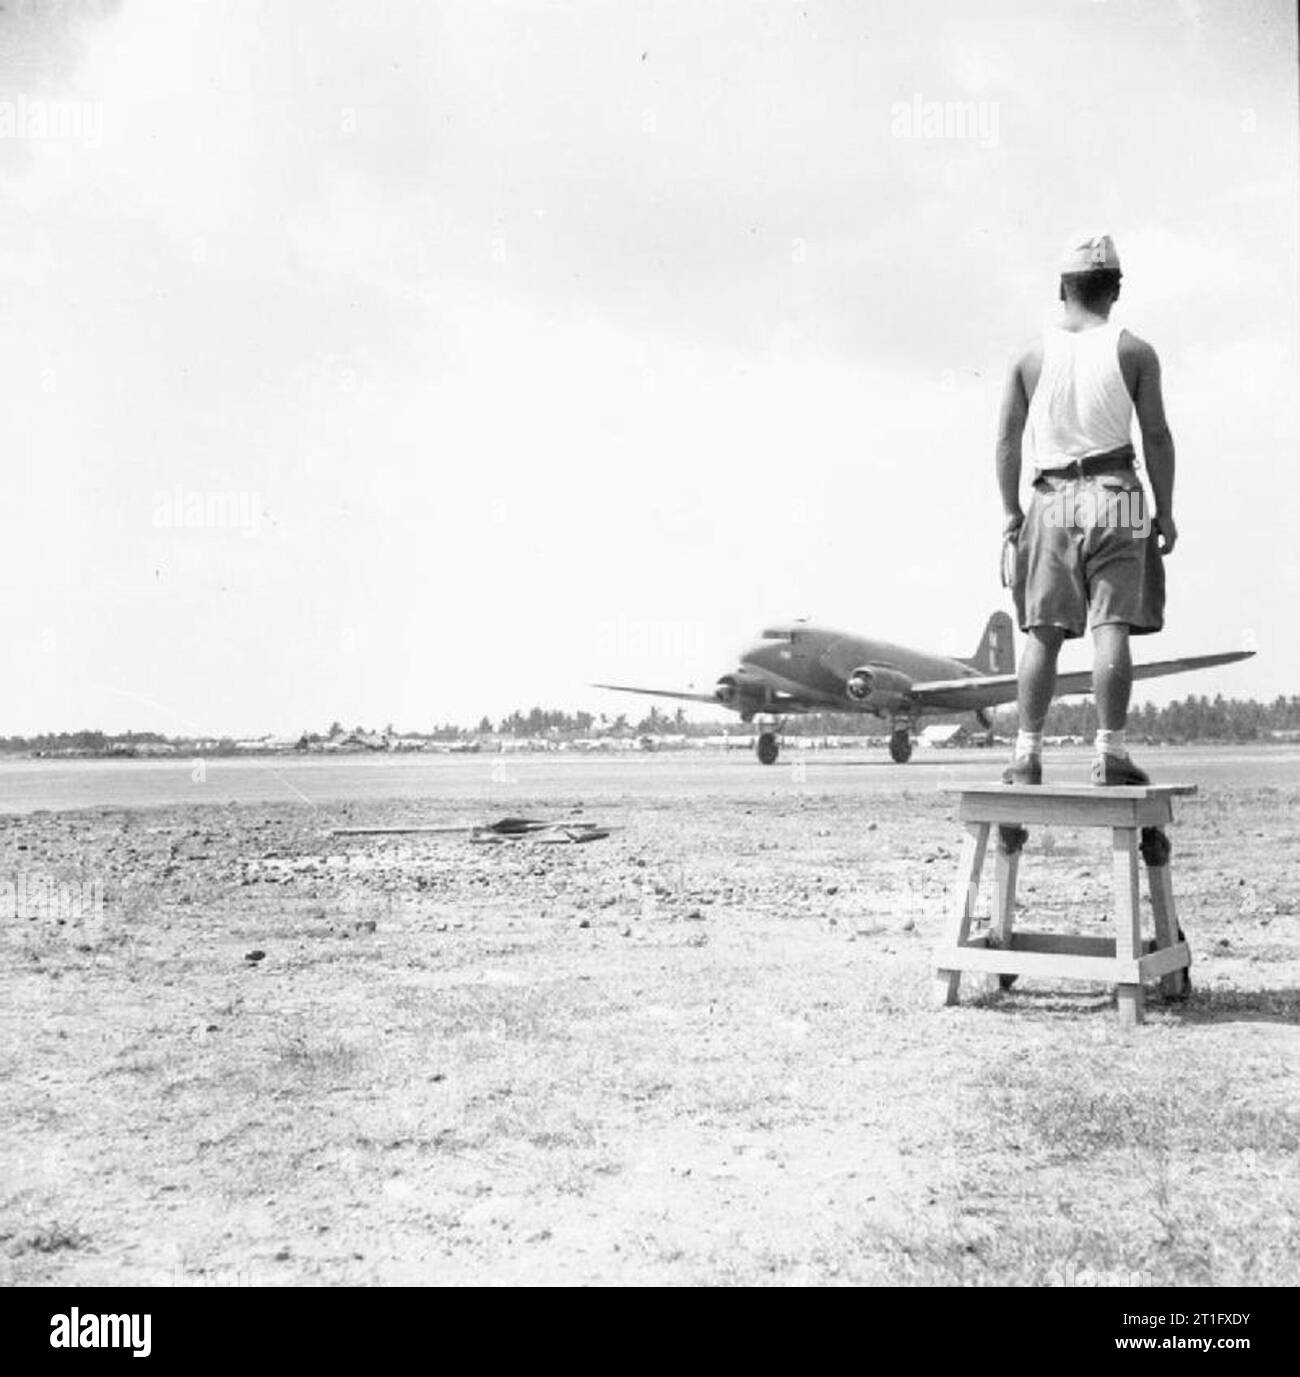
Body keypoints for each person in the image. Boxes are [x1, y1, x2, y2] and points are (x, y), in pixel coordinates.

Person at [995, 233, 1176, 786]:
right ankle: (1111, 752)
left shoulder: (1029, 356)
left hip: (1049, 499)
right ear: (1115, 290)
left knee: (1042, 630)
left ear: (1061, 288)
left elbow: (1007, 441)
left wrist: (1011, 515)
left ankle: (1026, 755)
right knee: (1111, 623)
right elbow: (1157, 437)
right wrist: (1164, 511)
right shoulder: (1135, 351)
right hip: (1117, 491)